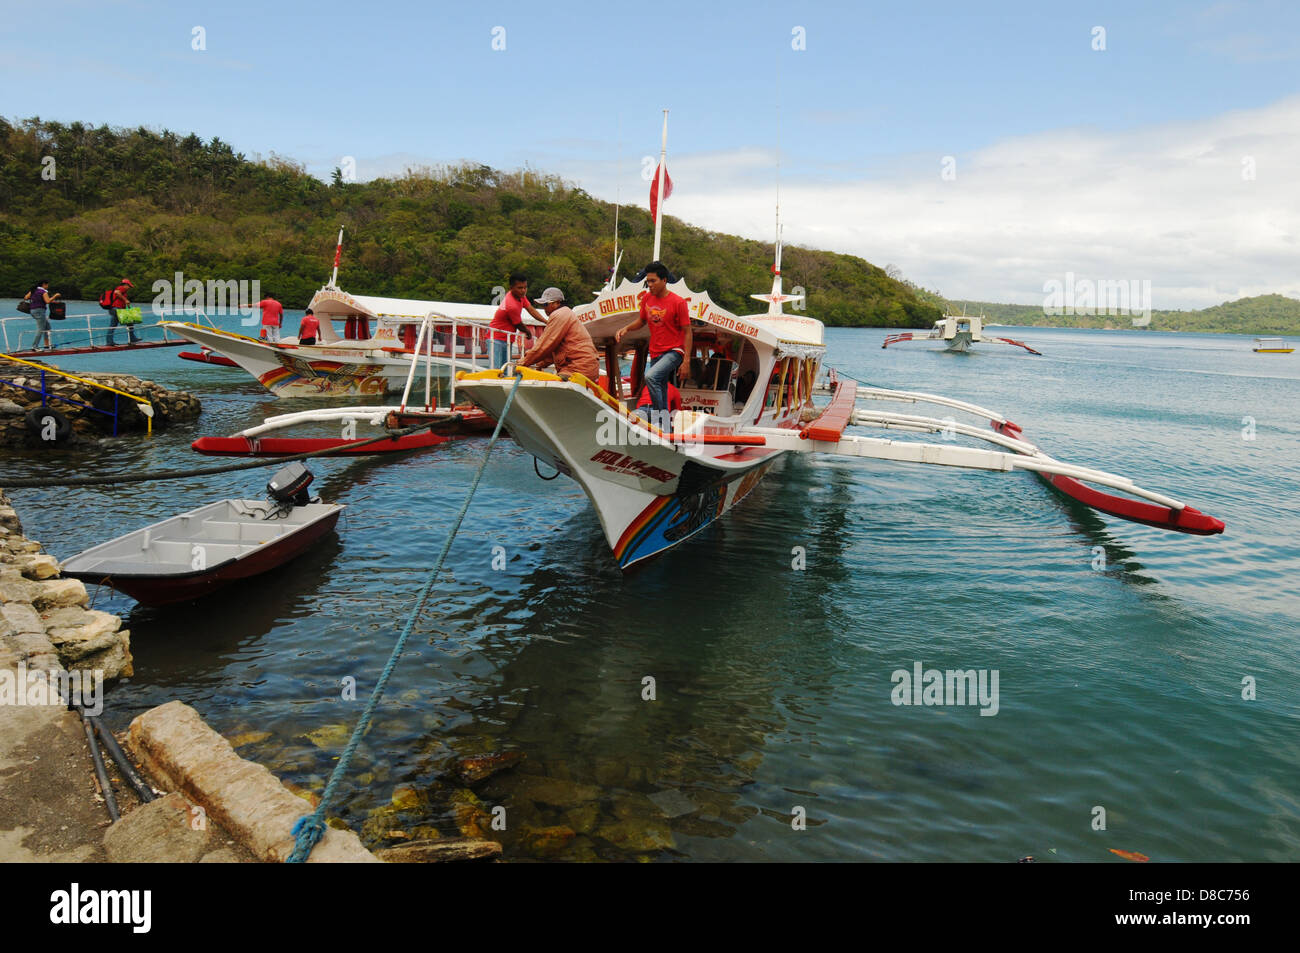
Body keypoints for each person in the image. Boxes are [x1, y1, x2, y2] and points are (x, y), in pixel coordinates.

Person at [615, 261, 691, 429]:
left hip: (674, 351)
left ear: (664, 280)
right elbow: (642, 321)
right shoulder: (647, 298)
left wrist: (686, 361)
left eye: (653, 281)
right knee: (661, 387)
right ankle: (665, 429)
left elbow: (688, 332)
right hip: (655, 352)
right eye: (647, 281)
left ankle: (662, 421)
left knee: (651, 377)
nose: (649, 285)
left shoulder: (678, 302)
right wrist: (626, 328)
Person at [517, 287, 600, 379]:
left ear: (556, 303)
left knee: (552, 384)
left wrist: (525, 361)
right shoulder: (565, 313)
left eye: (545, 304)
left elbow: (545, 344)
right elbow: (553, 350)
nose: (544, 308)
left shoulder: (559, 315)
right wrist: (540, 363)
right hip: (581, 366)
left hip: (578, 367)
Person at [489, 273, 544, 368]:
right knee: (497, 369)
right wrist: (528, 332)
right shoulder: (511, 304)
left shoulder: (520, 297)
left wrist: (545, 321)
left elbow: (531, 309)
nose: (523, 291)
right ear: (511, 288)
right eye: (520, 288)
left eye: (525, 287)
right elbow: (518, 324)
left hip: (507, 338)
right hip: (496, 338)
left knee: (505, 368)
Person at [23, 280, 61, 351]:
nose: (47, 286)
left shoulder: (34, 290)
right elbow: (47, 301)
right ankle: (34, 347)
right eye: (47, 285)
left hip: (32, 310)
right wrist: (55, 296)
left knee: (47, 327)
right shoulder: (43, 292)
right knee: (40, 329)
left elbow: (26, 297)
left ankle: (46, 345)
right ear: (44, 284)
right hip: (40, 311)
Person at [105, 278, 137, 347]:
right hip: (116, 309)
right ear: (125, 284)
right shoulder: (121, 288)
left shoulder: (121, 290)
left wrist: (125, 303)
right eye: (129, 286)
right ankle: (132, 338)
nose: (129, 288)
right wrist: (126, 300)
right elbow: (117, 293)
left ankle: (109, 342)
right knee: (129, 321)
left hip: (114, 309)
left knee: (112, 326)